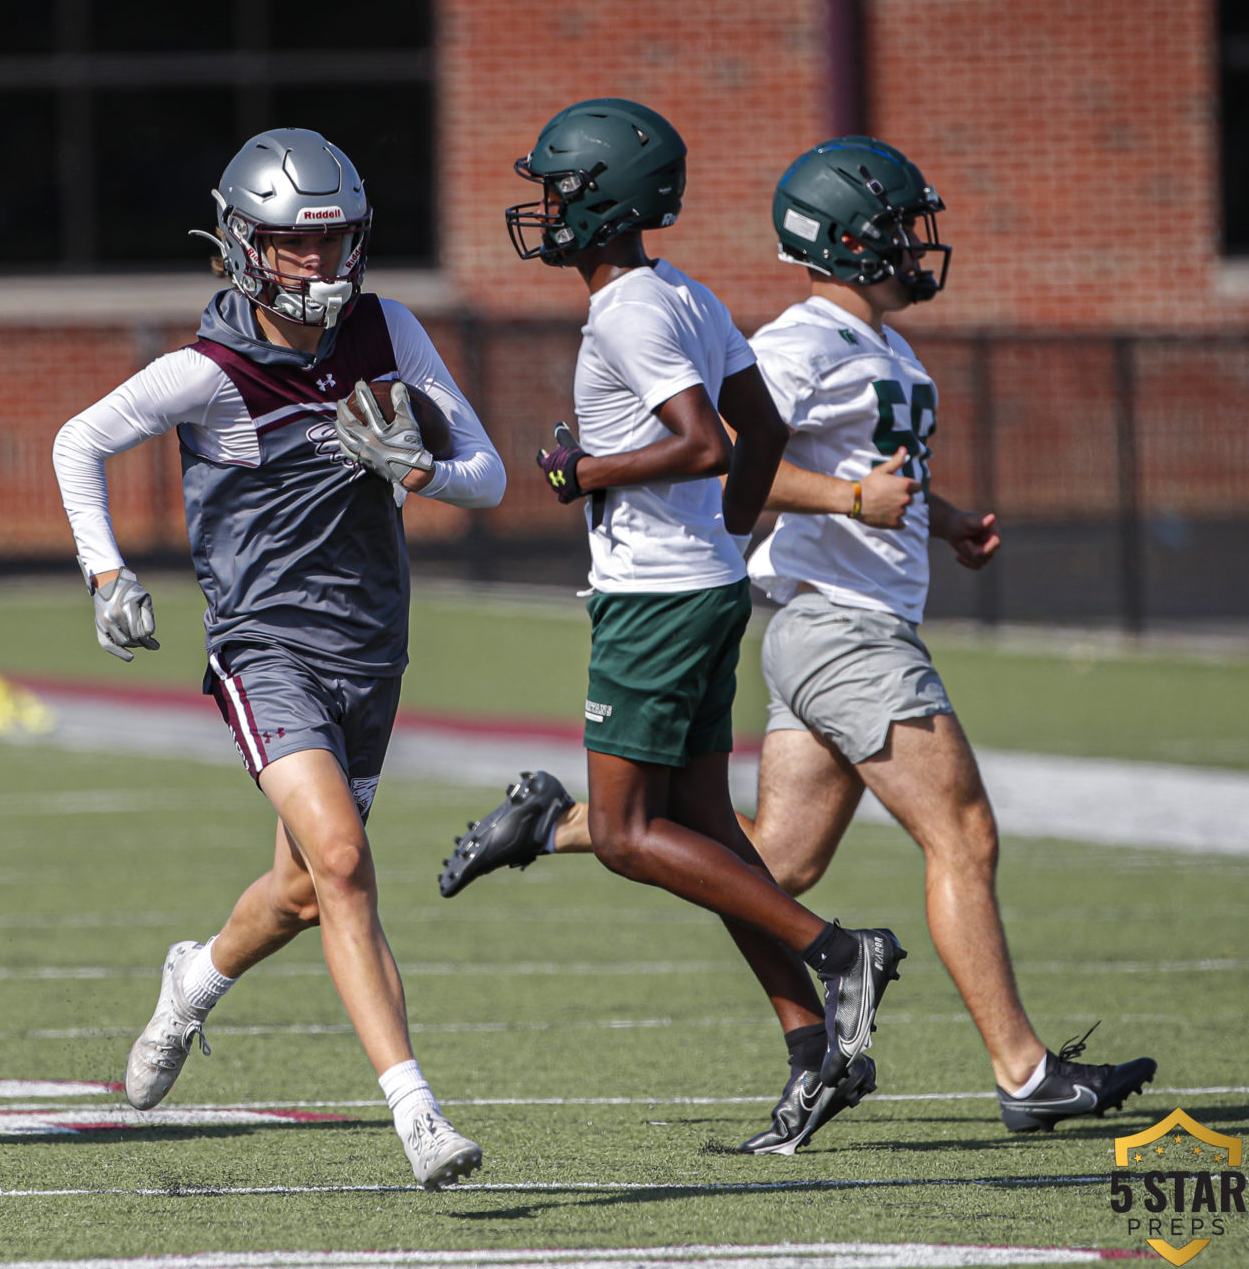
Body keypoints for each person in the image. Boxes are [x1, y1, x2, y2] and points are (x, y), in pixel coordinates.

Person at [444, 134, 1154, 1144]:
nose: (919, 247)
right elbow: (740, 455)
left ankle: (558, 837)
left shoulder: (882, 348)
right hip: (837, 622)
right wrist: (831, 501)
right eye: (903, 229)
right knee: (962, 832)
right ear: (850, 240)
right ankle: (1023, 1069)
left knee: (769, 857)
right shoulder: (799, 338)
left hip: (821, 618)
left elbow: (798, 459)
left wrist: (940, 518)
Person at [52, 128, 506, 1190]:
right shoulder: (207, 371)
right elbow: (80, 440)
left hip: (372, 645)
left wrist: (421, 467)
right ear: (242, 245)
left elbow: (485, 472)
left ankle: (192, 979)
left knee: (301, 889)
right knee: (344, 861)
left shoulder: (388, 326)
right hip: (267, 645)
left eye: (334, 240)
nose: (317, 265)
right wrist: (106, 573)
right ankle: (419, 1113)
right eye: (292, 246)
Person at [491, 99, 906, 1156]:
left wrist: (584, 471)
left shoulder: (628, 308)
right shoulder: (680, 289)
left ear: (603, 200)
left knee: (628, 836)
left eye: (560, 190)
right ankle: (814, 1048)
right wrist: (726, 532)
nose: (545, 210)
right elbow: (758, 426)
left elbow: (704, 440)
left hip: (657, 601)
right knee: (711, 833)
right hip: (699, 584)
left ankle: (840, 950)